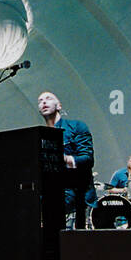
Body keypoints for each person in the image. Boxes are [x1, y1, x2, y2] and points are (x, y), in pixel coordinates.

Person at [37, 91, 94, 229]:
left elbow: (87, 159)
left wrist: (62, 159)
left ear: (59, 106)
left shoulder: (77, 127)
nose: (44, 102)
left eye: (48, 99)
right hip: (50, 198)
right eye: (40, 100)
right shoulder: (39, 137)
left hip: (76, 199)